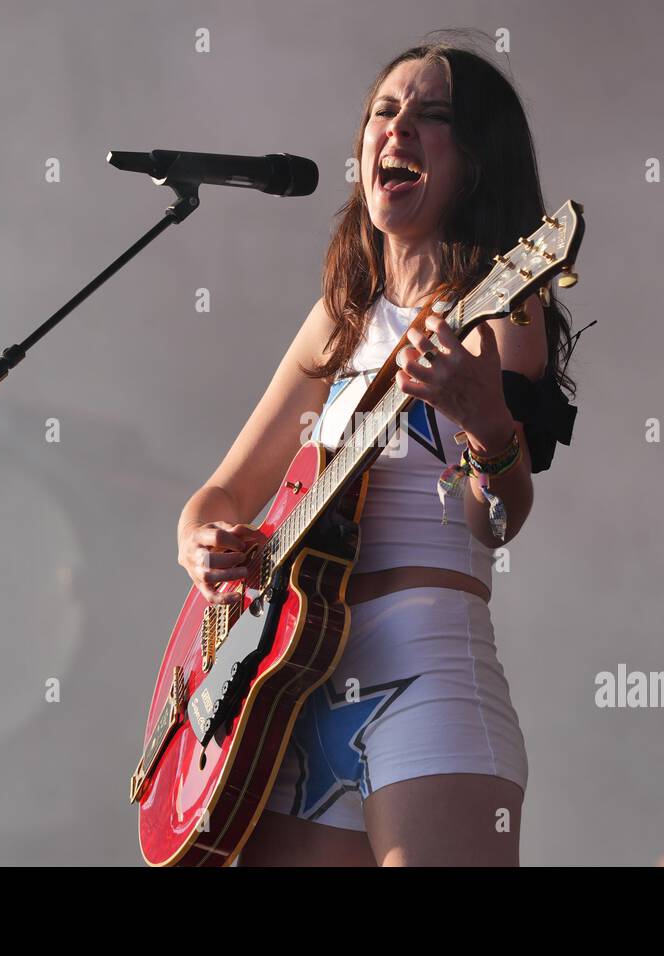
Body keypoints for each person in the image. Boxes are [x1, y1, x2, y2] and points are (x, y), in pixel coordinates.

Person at [175, 33, 578, 866]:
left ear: (474, 163)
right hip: (292, 689)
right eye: (384, 112)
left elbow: (498, 520)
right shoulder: (343, 315)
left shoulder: (504, 310)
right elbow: (222, 495)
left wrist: (484, 421)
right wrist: (201, 544)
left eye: (431, 117)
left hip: (426, 668)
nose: (397, 129)